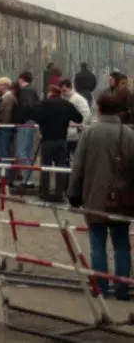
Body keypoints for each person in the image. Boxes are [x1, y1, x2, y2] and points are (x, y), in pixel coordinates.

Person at [68, 91, 134, 301]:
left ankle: (101, 288)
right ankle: (123, 289)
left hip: (94, 197)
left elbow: (78, 167)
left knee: (97, 243)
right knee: (122, 244)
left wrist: (74, 194)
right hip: (123, 199)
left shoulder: (90, 133)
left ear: (99, 108)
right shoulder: (129, 134)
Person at [36, 85, 82, 202]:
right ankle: (59, 193)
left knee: (45, 167)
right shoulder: (66, 104)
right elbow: (79, 118)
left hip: (47, 140)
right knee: (60, 167)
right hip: (62, 140)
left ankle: (45, 192)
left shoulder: (44, 104)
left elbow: (37, 117)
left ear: (50, 92)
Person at [13, 71, 41, 187]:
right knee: (28, 151)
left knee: (21, 151)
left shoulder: (25, 91)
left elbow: (26, 107)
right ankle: (29, 178)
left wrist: (19, 119)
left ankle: (27, 179)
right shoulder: (33, 90)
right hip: (32, 123)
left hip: (25, 123)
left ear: (21, 79)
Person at [60, 79, 92, 158]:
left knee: (77, 158)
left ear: (70, 88)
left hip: (76, 136)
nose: (63, 93)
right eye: (61, 91)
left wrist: (80, 127)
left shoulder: (78, 99)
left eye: (64, 90)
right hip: (65, 135)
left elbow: (86, 114)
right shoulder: (63, 99)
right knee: (64, 160)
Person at [0, 77, 17, 177]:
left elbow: (6, 115)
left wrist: (1, 124)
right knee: (4, 153)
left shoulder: (9, 99)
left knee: (5, 153)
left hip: (4, 129)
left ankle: (6, 177)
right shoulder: (6, 98)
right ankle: (5, 176)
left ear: (3, 86)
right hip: (3, 129)